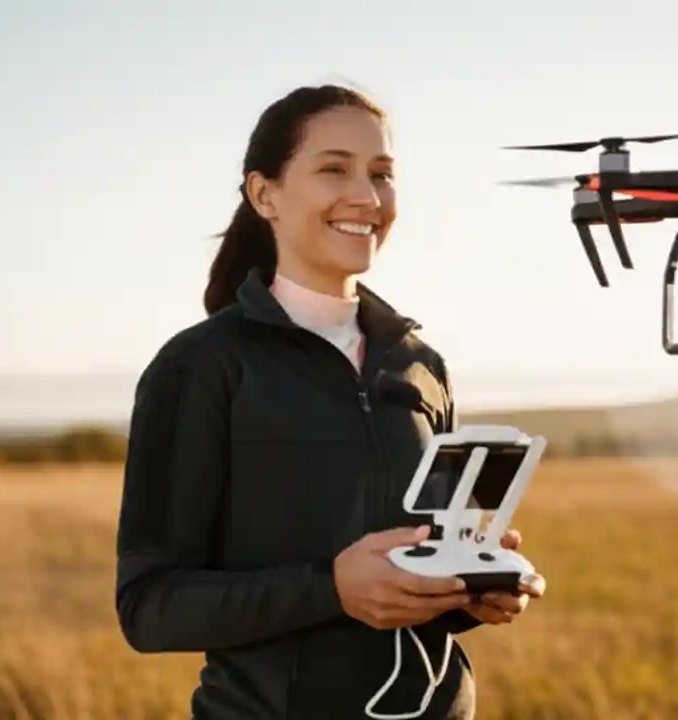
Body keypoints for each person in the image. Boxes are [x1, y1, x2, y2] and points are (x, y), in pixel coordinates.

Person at [114, 84, 547, 720]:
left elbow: (410, 573)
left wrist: (468, 587)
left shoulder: (421, 364)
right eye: (333, 169)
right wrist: (332, 589)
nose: (367, 198)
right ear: (265, 194)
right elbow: (149, 609)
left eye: (382, 174)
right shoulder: (201, 366)